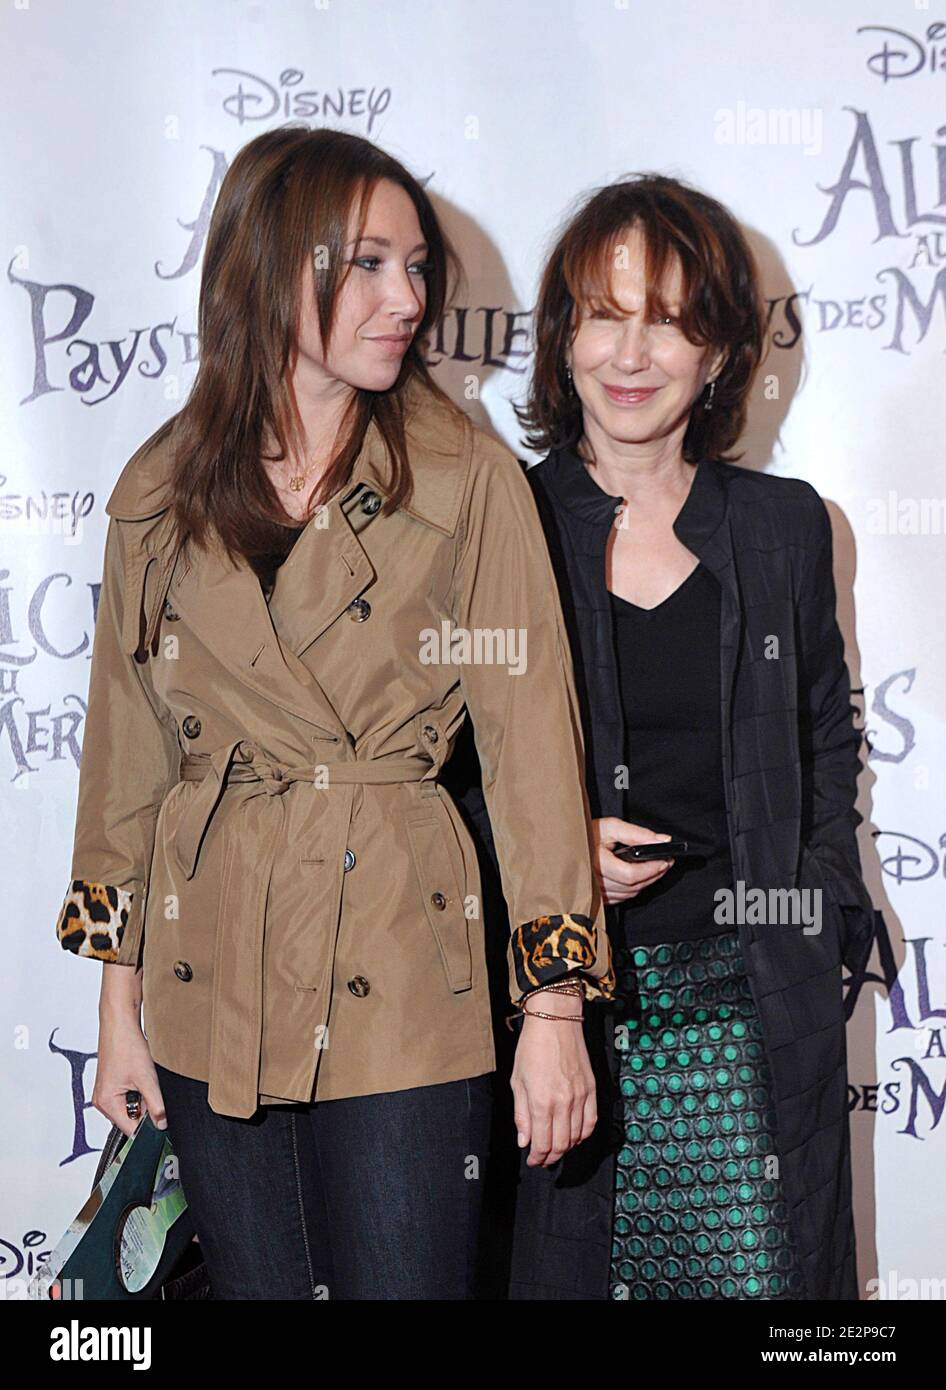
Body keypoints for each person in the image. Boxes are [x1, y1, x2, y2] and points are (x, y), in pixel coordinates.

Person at [54, 125, 614, 1300]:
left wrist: (553, 1004)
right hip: (211, 979)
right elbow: (125, 764)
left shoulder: (464, 478)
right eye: (366, 263)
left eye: (416, 268)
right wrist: (119, 1008)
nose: (405, 297)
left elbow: (529, 759)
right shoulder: (159, 487)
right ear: (266, 262)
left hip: (401, 965)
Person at [463, 173, 875, 1300]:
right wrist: (551, 856)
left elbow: (825, 747)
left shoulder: (784, 527)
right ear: (562, 337)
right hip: (559, 1024)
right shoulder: (501, 521)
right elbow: (437, 771)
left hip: (754, 1026)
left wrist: (822, 917)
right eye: (604, 312)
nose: (631, 351)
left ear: (718, 349)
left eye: (670, 317)